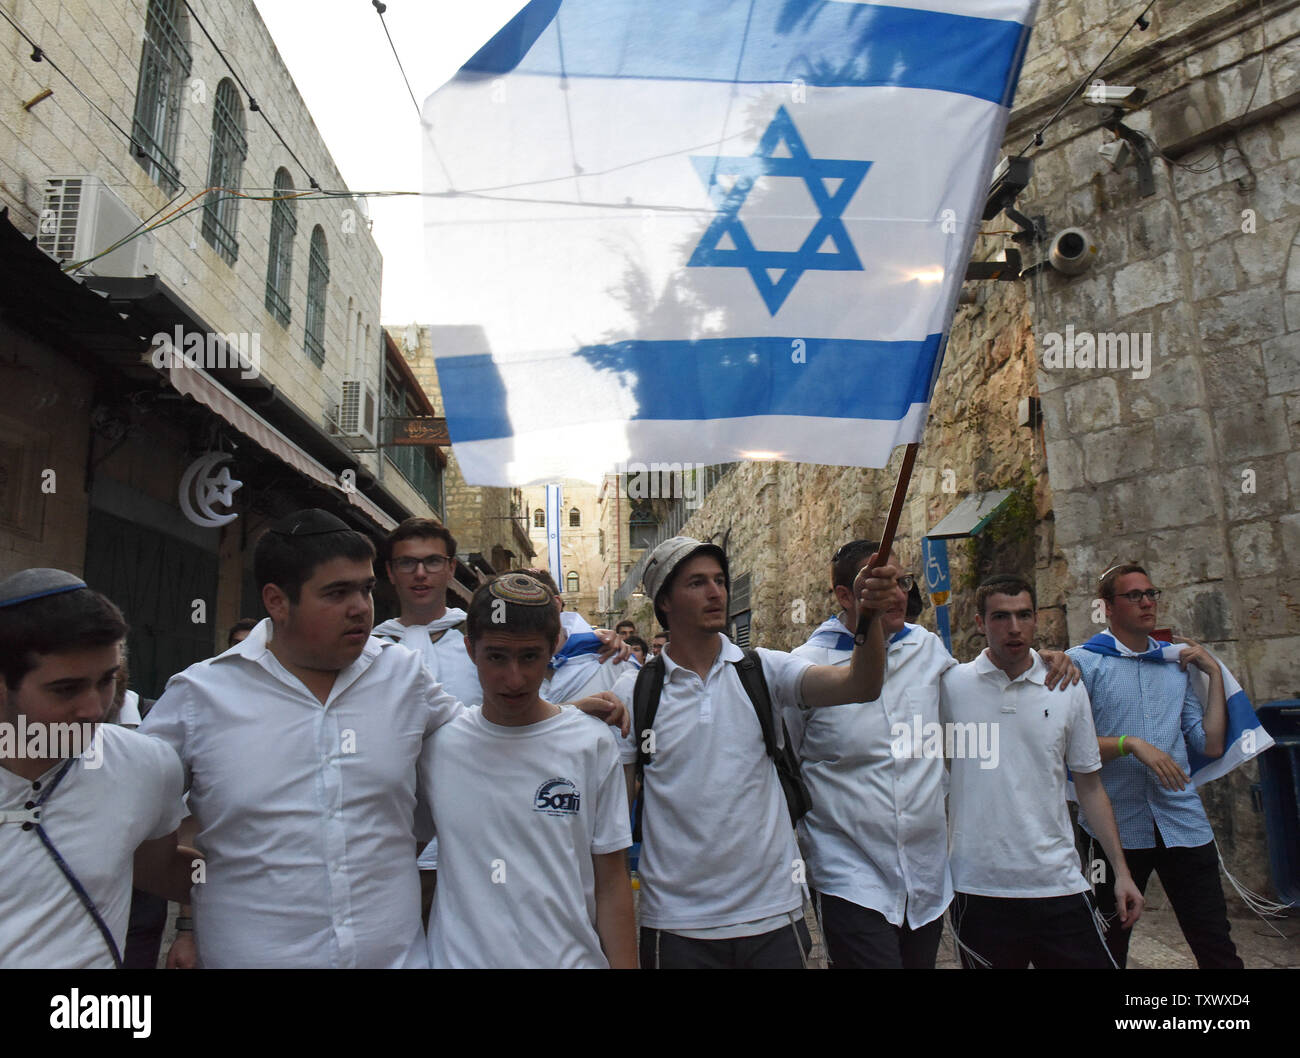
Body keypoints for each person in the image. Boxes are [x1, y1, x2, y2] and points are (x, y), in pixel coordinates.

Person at [788, 541, 1082, 969]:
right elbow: (789, 763)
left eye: (902, 581)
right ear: (845, 596)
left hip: (924, 876)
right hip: (848, 872)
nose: (896, 593)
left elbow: (982, 681)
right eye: (879, 582)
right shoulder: (807, 668)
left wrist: (1042, 660)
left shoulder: (927, 648)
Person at [610, 535, 895, 969]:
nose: (715, 593)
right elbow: (616, 813)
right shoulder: (636, 691)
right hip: (677, 923)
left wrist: (868, 616)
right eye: (697, 583)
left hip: (772, 915)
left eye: (720, 580)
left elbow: (860, 685)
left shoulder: (763, 669)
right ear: (664, 601)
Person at [423, 573, 635, 968]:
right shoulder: (439, 748)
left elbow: (612, 881)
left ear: (554, 647)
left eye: (529, 657)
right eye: (496, 657)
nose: (514, 678)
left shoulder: (591, 744)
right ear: (470, 649)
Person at [944, 574, 1142, 969]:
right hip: (977, 889)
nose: (1014, 628)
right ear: (980, 622)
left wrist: (1121, 871)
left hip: (1059, 882)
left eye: (1023, 615)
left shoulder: (1066, 686)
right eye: (1000, 616)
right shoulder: (950, 686)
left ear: (1037, 619)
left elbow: (1088, 784)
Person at [0, 569, 193, 969]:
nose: (94, 708)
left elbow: (162, 870)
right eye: (66, 689)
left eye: (106, 681)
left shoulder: (146, 764)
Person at [1067, 563, 1243, 969]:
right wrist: (1132, 745)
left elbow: (1209, 743)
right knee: (1103, 943)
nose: (1147, 602)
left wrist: (1214, 673)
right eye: (1134, 596)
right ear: (1108, 607)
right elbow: (1066, 746)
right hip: (1112, 827)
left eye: (1151, 594)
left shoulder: (1174, 665)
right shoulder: (1085, 664)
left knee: (1215, 942)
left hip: (1181, 820)